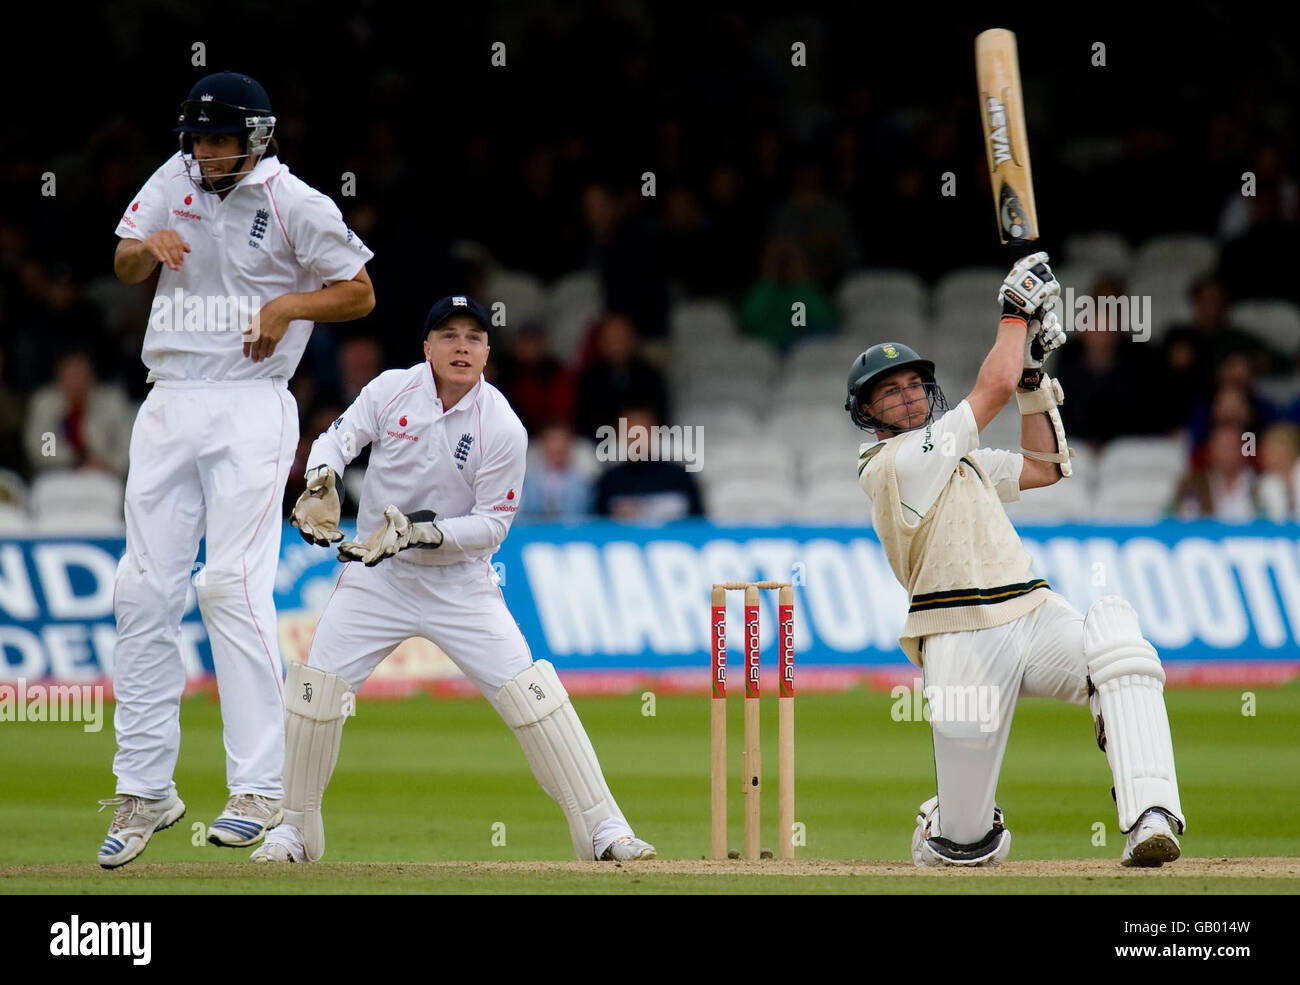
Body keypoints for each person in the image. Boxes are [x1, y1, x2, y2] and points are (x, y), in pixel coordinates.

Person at [252, 295, 654, 863]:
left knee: (532, 696)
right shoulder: (391, 390)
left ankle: (603, 830)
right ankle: (293, 831)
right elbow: (339, 438)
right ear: (427, 347)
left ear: (488, 352)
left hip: (459, 584)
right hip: (376, 575)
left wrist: (420, 533)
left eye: (473, 337)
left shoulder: (503, 428)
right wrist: (321, 479)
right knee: (316, 691)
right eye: (448, 336)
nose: (460, 346)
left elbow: (492, 526)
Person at [98, 71, 376, 868]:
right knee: (142, 590)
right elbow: (122, 262)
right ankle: (146, 787)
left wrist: (289, 307)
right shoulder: (173, 178)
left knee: (228, 585)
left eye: (221, 140)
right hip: (169, 399)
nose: (206, 152)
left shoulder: (296, 202)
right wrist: (143, 250)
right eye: (198, 138)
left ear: (256, 137)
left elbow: (358, 293)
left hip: (252, 404)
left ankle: (258, 785)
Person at [848, 252, 1185, 868]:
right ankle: (946, 824)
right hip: (956, 633)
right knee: (967, 848)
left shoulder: (963, 457)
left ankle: (1151, 817)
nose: (905, 396)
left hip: (1031, 611)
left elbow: (1043, 467)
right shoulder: (892, 466)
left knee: (1119, 644)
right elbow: (991, 388)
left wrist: (1033, 377)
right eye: (887, 393)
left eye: (912, 385)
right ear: (867, 414)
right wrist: (1013, 316)